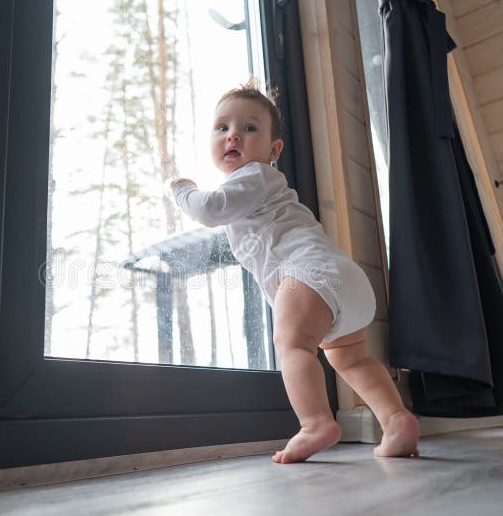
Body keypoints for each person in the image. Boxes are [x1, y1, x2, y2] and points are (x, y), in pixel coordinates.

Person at [170, 80, 420, 463]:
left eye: (249, 128)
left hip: (307, 272)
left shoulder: (255, 176)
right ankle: (396, 419)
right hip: (345, 280)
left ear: (273, 150)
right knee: (350, 359)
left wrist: (181, 188)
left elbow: (209, 209)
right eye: (222, 127)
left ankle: (315, 422)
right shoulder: (260, 187)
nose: (233, 134)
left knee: (292, 345)